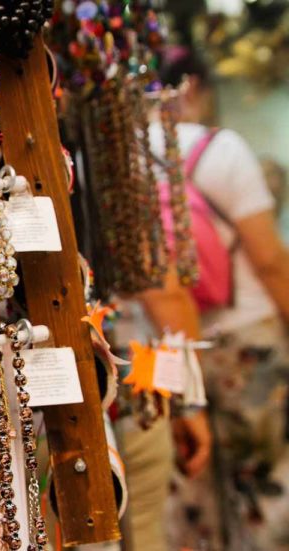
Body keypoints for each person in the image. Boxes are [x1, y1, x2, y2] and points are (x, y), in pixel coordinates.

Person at [138, 48, 289, 550]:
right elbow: (269, 260)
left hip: (167, 347)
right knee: (261, 477)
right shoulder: (222, 148)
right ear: (194, 87)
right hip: (248, 342)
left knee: (191, 486)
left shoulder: (124, 159)